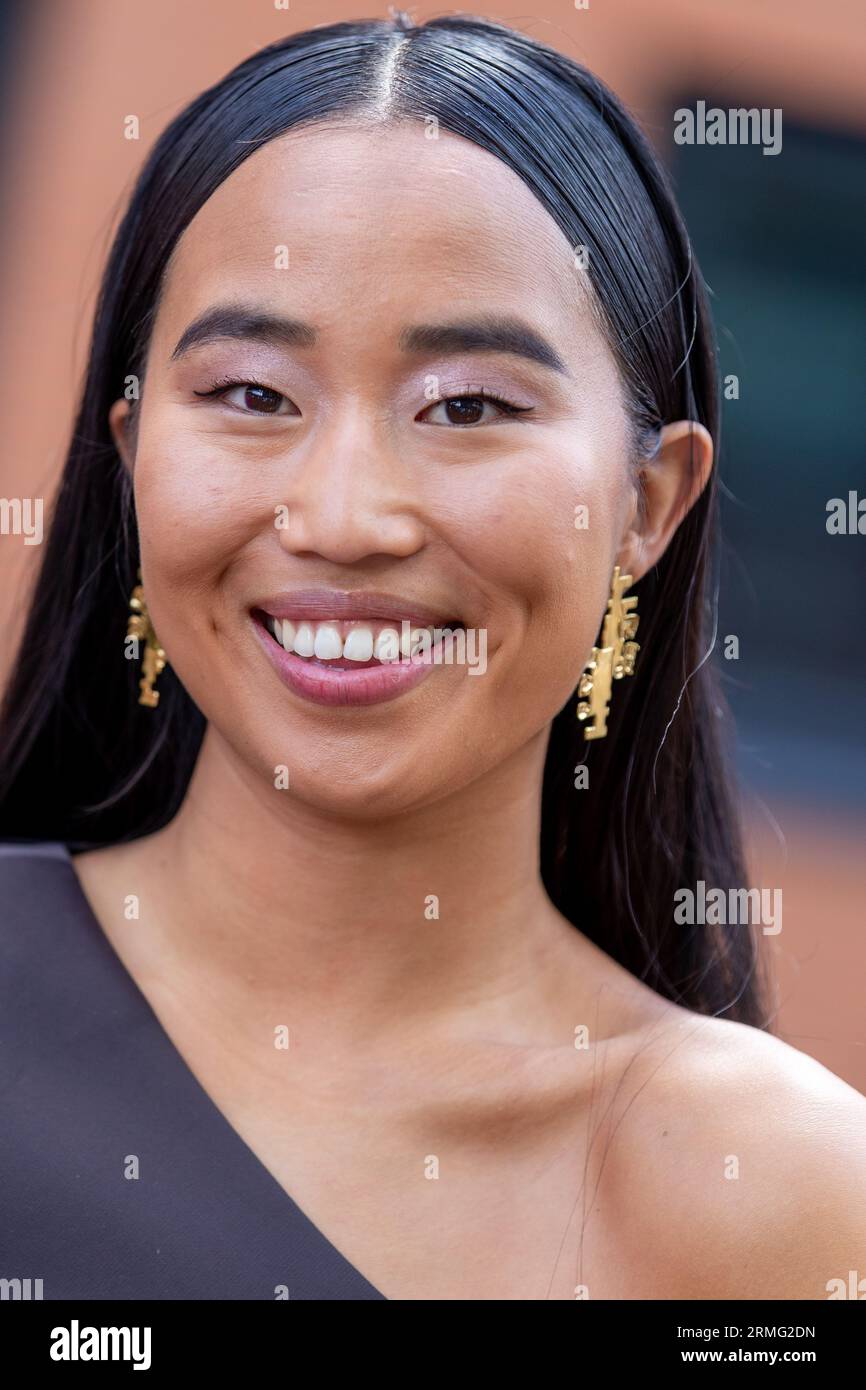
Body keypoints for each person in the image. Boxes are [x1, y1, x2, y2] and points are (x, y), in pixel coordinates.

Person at [1, 12, 864, 1301]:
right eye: (251, 395)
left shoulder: (768, 1194)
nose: (344, 518)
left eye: (468, 407)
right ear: (133, 460)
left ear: (648, 504)